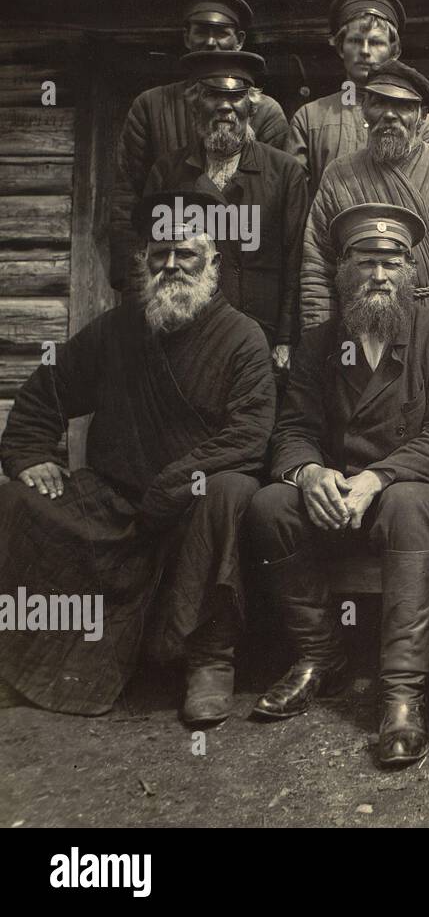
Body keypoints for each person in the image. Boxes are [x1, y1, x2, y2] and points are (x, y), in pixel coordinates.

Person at [0, 194, 275, 725]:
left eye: (186, 254)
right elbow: (47, 389)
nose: (170, 266)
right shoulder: (117, 328)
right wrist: (30, 452)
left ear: (213, 262)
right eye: (159, 254)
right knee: (16, 501)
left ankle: (209, 659)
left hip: (188, 508)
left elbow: (249, 437)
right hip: (113, 499)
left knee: (232, 490)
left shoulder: (243, 337)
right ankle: (21, 662)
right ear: (145, 260)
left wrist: (172, 486)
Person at [246, 203, 429, 766]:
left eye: (392, 263)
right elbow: (294, 427)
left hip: (404, 495)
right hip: (336, 500)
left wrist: (378, 476)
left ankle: (401, 694)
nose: (380, 276)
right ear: (342, 270)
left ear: (411, 272)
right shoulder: (320, 343)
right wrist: (310, 473)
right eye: (367, 262)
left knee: (410, 503)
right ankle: (319, 657)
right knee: (271, 505)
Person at [299, 59, 429, 370]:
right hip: (359, 319)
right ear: (364, 109)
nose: (389, 115)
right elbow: (317, 265)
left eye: (403, 106)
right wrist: (318, 342)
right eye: (378, 102)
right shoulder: (339, 174)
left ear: (422, 115)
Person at [113, 0, 290, 291]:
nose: (211, 41)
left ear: (240, 40)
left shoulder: (265, 112)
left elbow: (272, 206)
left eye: (221, 32)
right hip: (171, 269)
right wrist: (135, 283)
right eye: (201, 31)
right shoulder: (151, 105)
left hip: (242, 269)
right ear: (186, 37)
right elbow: (126, 198)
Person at [144, 50, 308, 373]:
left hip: (261, 341)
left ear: (251, 106)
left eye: (236, 97)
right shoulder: (167, 173)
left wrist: (286, 340)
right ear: (195, 105)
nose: (225, 106)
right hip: (187, 340)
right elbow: (151, 260)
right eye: (212, 95)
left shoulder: (285, 173)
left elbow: (295, 262)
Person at [287, 0, 429, 197]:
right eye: (355, 41)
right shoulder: (309, 118)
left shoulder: (422, 123)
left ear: (394, 51)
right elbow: (295, 198)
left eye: (376, 42)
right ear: (341, 48)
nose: (365, 51)